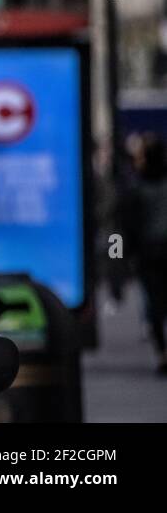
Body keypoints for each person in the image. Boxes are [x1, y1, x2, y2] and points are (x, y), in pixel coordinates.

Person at [123, 134, 167, 375]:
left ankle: (162, 351)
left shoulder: (135, 187)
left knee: (154, 304)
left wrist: (118, 256)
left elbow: (124, 226)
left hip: (148, 254)